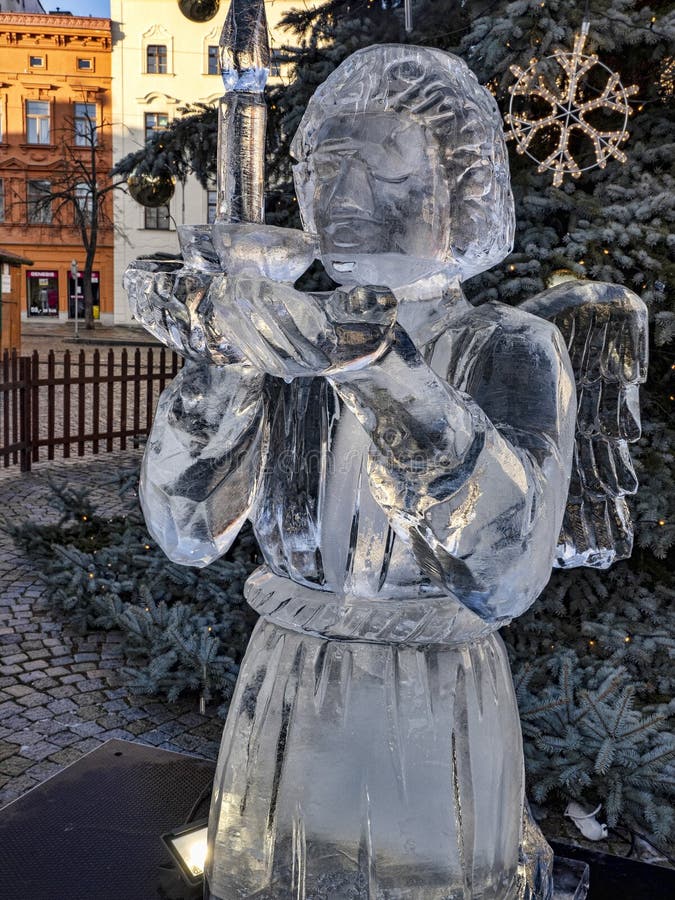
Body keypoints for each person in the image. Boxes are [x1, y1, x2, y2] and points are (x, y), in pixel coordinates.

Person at [129, 44, 576, 900]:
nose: (340, 198)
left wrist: (382, 371)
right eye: (322, 167)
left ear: (459, 181)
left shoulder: (510, 347)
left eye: (379, 166)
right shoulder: (284, 351)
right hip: (289, 684)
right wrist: (223, 359)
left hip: (431, 702)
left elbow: (505, 574)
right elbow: (185, 533)